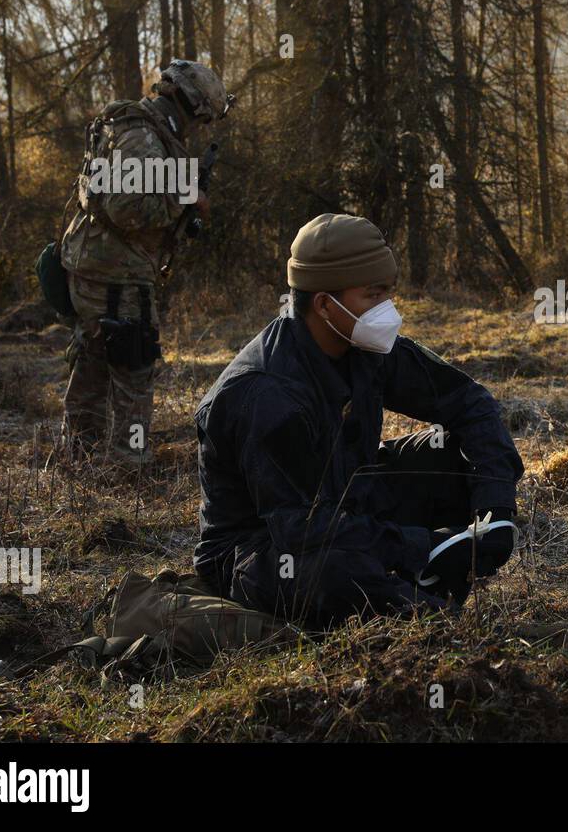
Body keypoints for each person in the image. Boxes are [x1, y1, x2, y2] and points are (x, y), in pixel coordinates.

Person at [193, 213, 523, 626]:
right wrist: (424, 546)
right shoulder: (267, 395)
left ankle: (426, 593)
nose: (388, 310)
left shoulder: (361, 344)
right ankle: (441, 623)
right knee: (335, 572)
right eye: (373, 295)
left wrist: (495, 511)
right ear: (324, 304)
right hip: (264, 549)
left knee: (452, 457)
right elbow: (302, 529)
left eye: (388, 293)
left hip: (348, 500)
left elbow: (469, 402)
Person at [59, 59, 233, 466]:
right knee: (133, 367)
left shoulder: (136, 125)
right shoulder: (143, 137)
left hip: (97, 264)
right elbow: (128, 209)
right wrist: (187, 196)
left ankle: (81, 456)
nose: (201, 127)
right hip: (116, 273)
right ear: (193, 107)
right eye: (204, 118)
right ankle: (129, 465)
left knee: (93, 357)